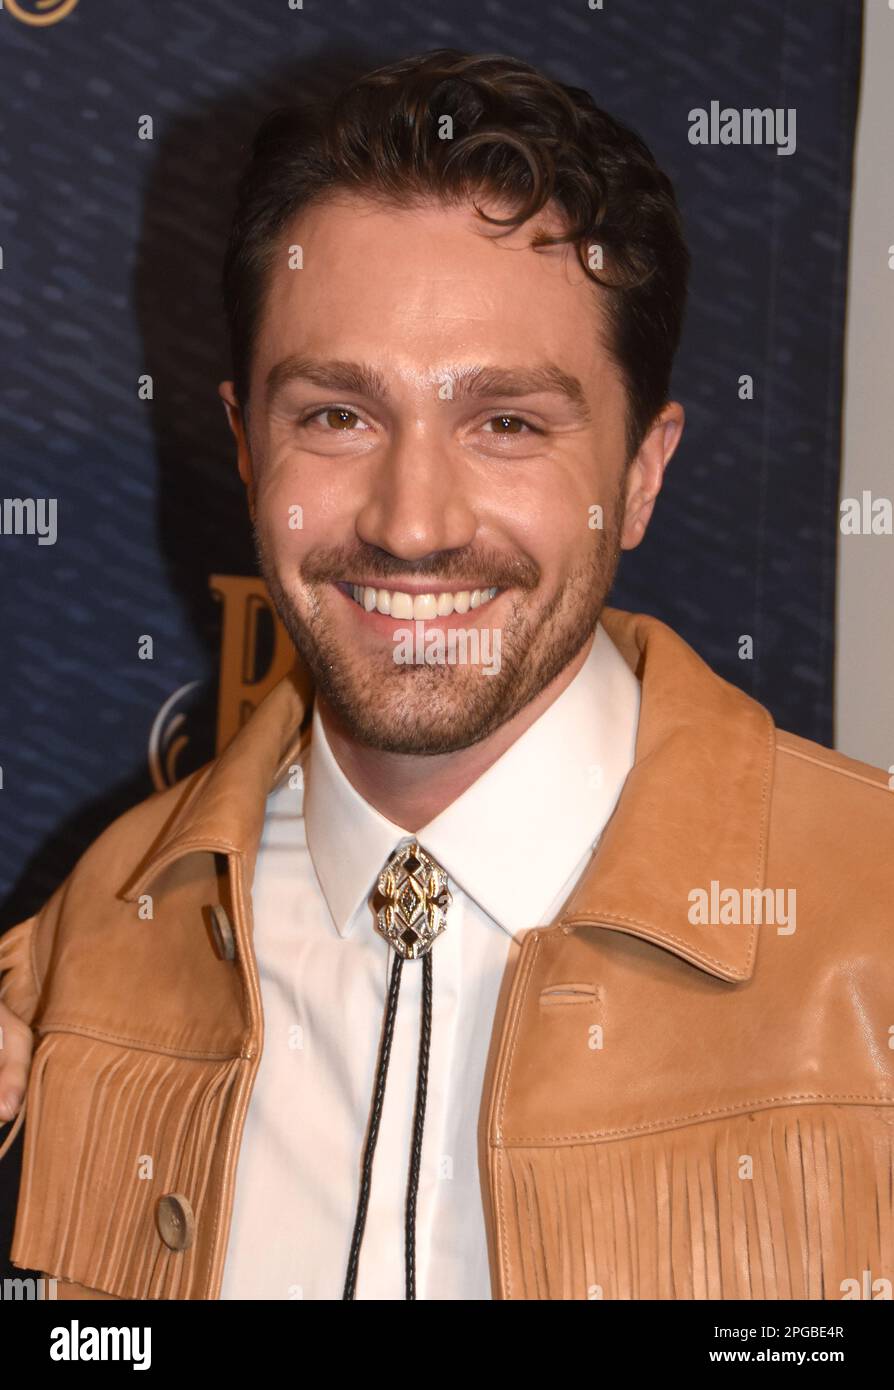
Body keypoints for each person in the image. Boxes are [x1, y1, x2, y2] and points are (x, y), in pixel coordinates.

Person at [1, 47, 891, 1302]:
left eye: (509, 423)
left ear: (642, 472)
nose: (412, 522)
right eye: (337, 414)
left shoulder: (875, 932)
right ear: (248, 451)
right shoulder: (98, 947)